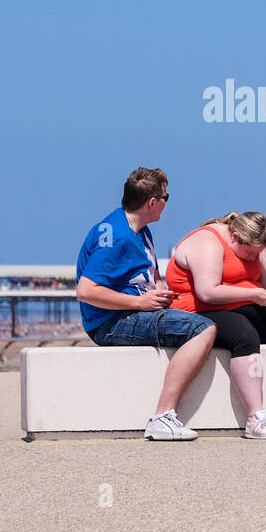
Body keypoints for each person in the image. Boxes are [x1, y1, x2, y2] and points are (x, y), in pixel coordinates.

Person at [76, 167, 217, 442]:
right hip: (112, 322)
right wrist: (140, 302)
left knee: (213, 318)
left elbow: (150, 278)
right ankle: (164, 416)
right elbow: (86, 290)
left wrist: (160, 294)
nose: (167, 202)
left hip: (134, 311)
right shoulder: (116, 236)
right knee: (204, 329)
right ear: (152, 202)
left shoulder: (139, 230)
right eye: (166, 197)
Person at [166, 210, 266, 440]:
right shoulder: (208, 242)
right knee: (244, 334)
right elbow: (208, 292)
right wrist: (252, 294)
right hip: (203, 311)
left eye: (258, 253)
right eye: (250, 253)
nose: (254, 258)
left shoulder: (256, 245)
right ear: (234, 237)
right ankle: (256, 419)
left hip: (245, 305)